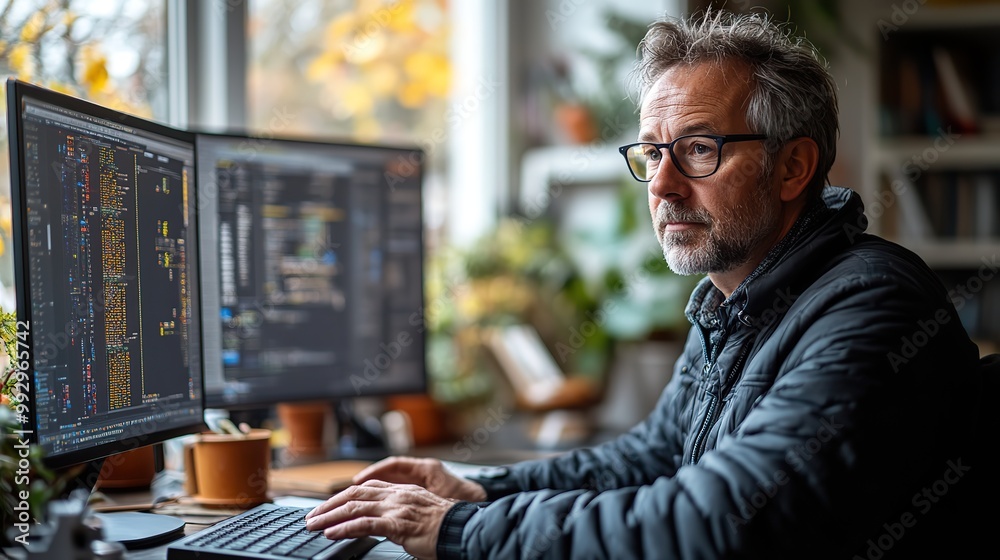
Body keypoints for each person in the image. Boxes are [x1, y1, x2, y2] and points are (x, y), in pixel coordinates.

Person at [305, 8, 993, 559]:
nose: (661, 185)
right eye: (652, 153)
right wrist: (480, 490)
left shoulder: (872, 305)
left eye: (699, 149)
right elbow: (654, 456)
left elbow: (720, 521)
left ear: (792, 169)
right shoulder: (734, 300)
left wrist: (460, 531)